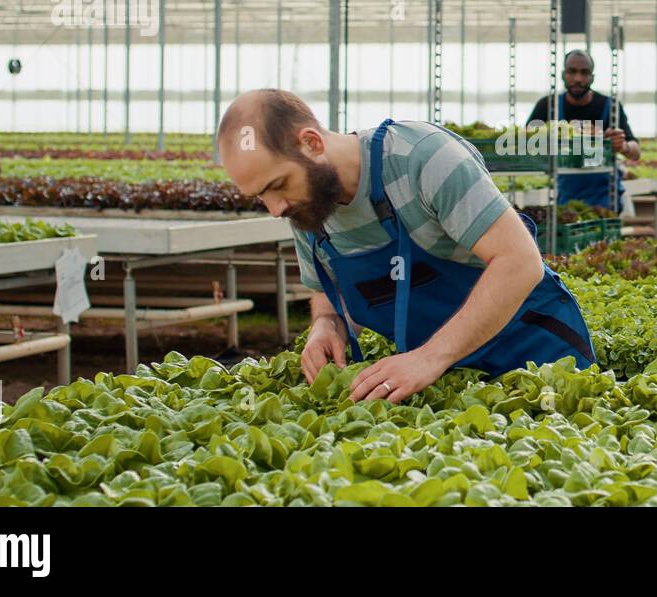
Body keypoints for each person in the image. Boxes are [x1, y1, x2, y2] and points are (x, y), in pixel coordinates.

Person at [217, 89, 595, 403]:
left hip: (537, 362)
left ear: (312, 143)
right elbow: (327, 290)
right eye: (259, 196)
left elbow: (519, 262)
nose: (275, 208)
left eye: (277, 185)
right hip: (446, 382)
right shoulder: (308, 206)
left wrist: (430, 357)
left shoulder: (421, 158)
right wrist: (326, 324)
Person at [526, 49, 640, 212]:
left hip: (605, 200)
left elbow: (636, 151)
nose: (578, 79)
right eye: (572, 72)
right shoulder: (548, 106)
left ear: (592, 77)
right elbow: (526, 145)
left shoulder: (609, 106)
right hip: (565, 199)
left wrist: (623, 146)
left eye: (584, 73)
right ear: (563, 74)